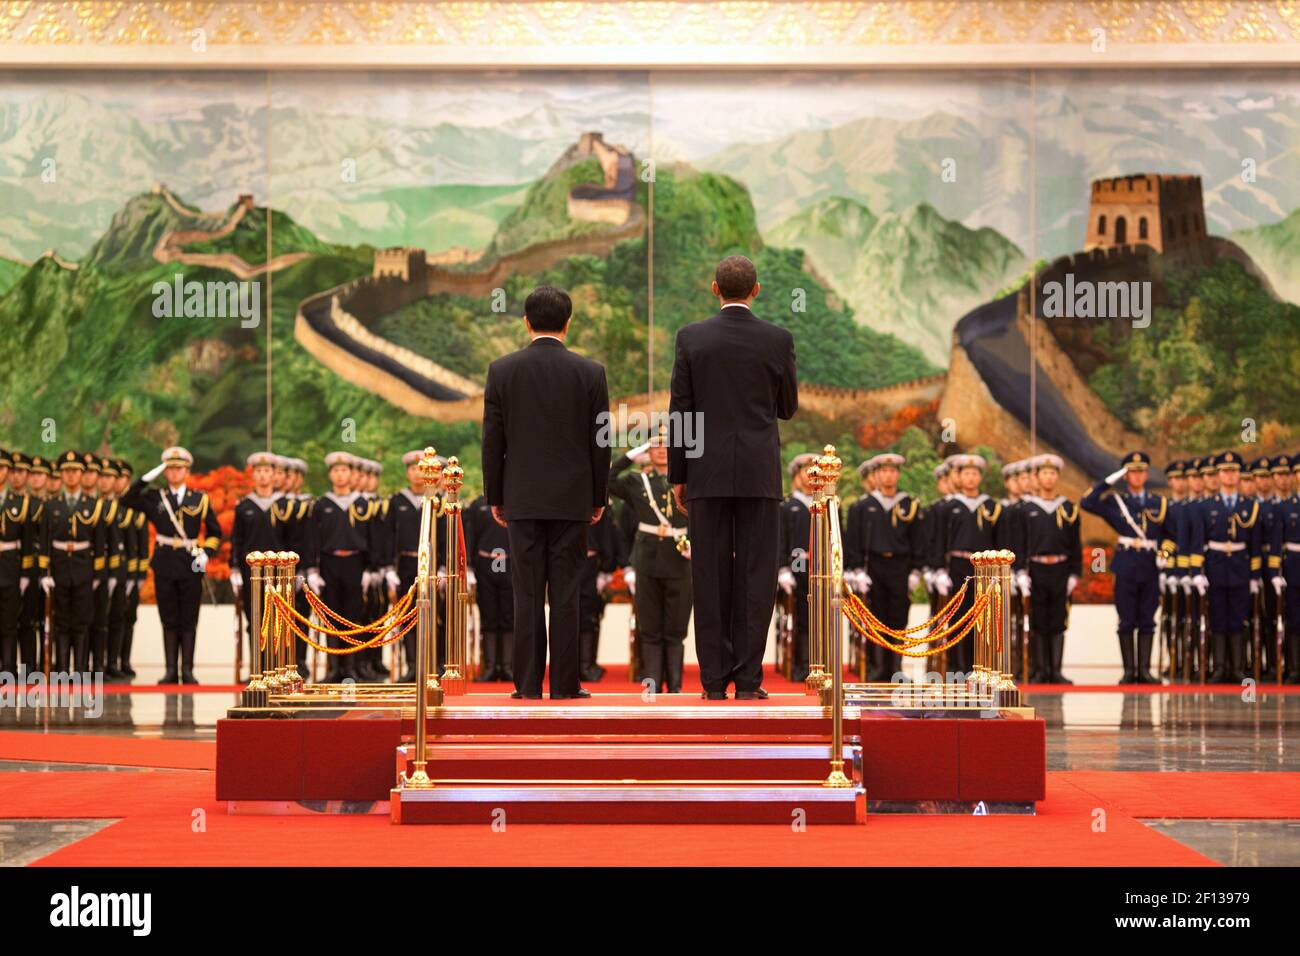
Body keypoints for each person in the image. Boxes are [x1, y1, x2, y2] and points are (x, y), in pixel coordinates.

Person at [668, 255, 799, 700]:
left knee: (708, 577)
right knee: (757, 577)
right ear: (756, 290)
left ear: (714, 288)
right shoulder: (778, 339)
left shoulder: (691, 338)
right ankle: (748, 682)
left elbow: (680, 412)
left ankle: (711, 682)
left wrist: (678, 475)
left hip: (705, 472)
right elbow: (787, 407)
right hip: (760, 474)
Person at [482, 285, 610, 700]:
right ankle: (566, 685)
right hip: (573, 501)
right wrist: (598, 497)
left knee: (527, 593)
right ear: (568, 323)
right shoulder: (591, 373)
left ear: (526, 322)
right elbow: (600, 442)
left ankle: (527, 685)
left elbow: (492, 442)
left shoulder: (502, 370)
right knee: (568, 592)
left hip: (521, 499)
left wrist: (495, 496)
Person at [124, 446, 221, 684]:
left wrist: (206, 553)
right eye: (170, 469)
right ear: (165, 471)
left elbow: (214, 532)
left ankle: (187, 670)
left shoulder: (199, 499)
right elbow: (127, 498)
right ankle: (170, 670)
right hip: (165, 561)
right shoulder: (155, 497)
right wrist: (148, 476)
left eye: (179, 468)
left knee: (189, 616)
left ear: (187, 470)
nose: (175, 473)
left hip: (191, 562)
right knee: (168, 616)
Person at [609, 425, 692, 692]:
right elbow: (606, 478)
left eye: (667, 445)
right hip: (647, 560)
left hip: (680, 558)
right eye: (655, 445)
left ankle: (676, 688)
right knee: (651, 629)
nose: (661, 450)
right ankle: (652, 687)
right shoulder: (637, 481)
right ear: (647, 450)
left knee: (676, 630)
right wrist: (631, 456)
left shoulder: (689, 480)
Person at [1081, 451, 1174, 684]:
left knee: (1147, 618)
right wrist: (1109, 481)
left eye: (1141, 471)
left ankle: (1144, 670)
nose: (1137, 476)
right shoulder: (1115, 501)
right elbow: (1087, 502)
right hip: (1126, 564)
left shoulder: (1159, 502)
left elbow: (1171, 534)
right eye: (1132, 472)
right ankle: (1129, 671)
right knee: (1126, 619)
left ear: (1146, 474)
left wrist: (1165, 553)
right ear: (1125, 475)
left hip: (1150, 564)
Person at [1183, 451, 1262, 683]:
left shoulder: (1250, 506)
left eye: (1234, 471)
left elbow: (1255, 545)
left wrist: (1255, 576)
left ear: (1239, 475)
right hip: (1215, 567)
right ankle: (1218, 668)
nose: (1230, 476)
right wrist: (1197, 572)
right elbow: (1198, 542)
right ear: (1218, 475)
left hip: (1240, 566)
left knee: (1237, 618)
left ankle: (1236, 668)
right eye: (1225, 471)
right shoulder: (1205, 506)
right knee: (1217, 618)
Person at [929, 454, 1007, 677]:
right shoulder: (949, 507)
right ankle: (957, 667)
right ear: (959, 477)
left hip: (985, 568)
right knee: (958, 617)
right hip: (958, 566)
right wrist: (938, 570)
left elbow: (1001, 540)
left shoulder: (993, 507)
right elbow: (939, 540)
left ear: (980, 477)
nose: (971, 478)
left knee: (983, 618)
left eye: (975, 474)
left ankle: (980, 666)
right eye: (966, 474)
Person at [846, 452, 922, 683]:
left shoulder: (909, 504)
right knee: (875, 616)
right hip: (874, 566)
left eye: (892, 471)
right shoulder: (863, 506)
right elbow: (854, 539)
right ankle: (877, 666)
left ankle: (896, 668)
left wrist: (916, 570)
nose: (888, 475)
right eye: (883, 471)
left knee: (898, 617)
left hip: (900, 565)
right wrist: (856, 568)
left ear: (898, 474)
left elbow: (919, 539)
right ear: (876, 475)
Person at [302, 451, 373, 683]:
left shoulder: (364, 504)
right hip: (329, 562)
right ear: (330, 475)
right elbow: (312, 538)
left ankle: (351, 666)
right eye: (336, 471)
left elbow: (372, 539)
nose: (341, 475)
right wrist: (312, 569)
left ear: (352, 475)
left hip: (356, 562)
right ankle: (333, 667)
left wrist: (371, 569)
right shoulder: (322, 505)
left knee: (353, 616)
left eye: (345, 470)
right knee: (331, 616)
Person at [1016, 454, 1082, 683]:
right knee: (1037, 619)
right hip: (1036, 568)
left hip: (1061, 569)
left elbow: (1076, 542)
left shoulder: (1068, 508)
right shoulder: (1026, 509)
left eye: (1053, 473)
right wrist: (1020, 572)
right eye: (1044, 473)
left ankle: (1056, 670)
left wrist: (1075, 572)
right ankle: (1041, 670)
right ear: (1036, 477)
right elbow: (1021, 542)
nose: (1049, 477)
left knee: (1058, 620)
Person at [230, 452, 286, 673]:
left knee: (278, 622)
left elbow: (294, 540)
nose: (263, 476)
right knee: (254, 620)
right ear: (253, 476)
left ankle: (278, 669)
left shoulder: (284, 505)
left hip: (281, 573)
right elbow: (237, 538)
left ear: (275, 475)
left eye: (267, 471)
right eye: (259, 472)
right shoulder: (244, 507)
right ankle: (257, 670)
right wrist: (234, 566)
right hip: (251, 572)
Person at [463, 478, 513, 682]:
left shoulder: (514, 501)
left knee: (509, 616)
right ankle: (491, 666)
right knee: (489, 615)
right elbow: (470, 536)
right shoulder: (478, 505)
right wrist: (469, 568)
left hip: (509, 563)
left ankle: (509, 666)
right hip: (486, 563)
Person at [777, 453, 818, 683]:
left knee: (820, 617)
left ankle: (820, 664)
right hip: (797, 565)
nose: (811, 476)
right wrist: (783, 568)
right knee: (802, 618)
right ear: (797, 474)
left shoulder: (826, 505)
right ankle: (801, 666)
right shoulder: (788, 505)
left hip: (820, 567)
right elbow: (781, 539)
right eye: (806, 470)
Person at [0, 448, 39, 678]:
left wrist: (25, 573)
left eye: (3, 468)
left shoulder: (20, 502)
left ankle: (8, 667)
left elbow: (26, 541)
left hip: (10, 567)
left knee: (9, 621)